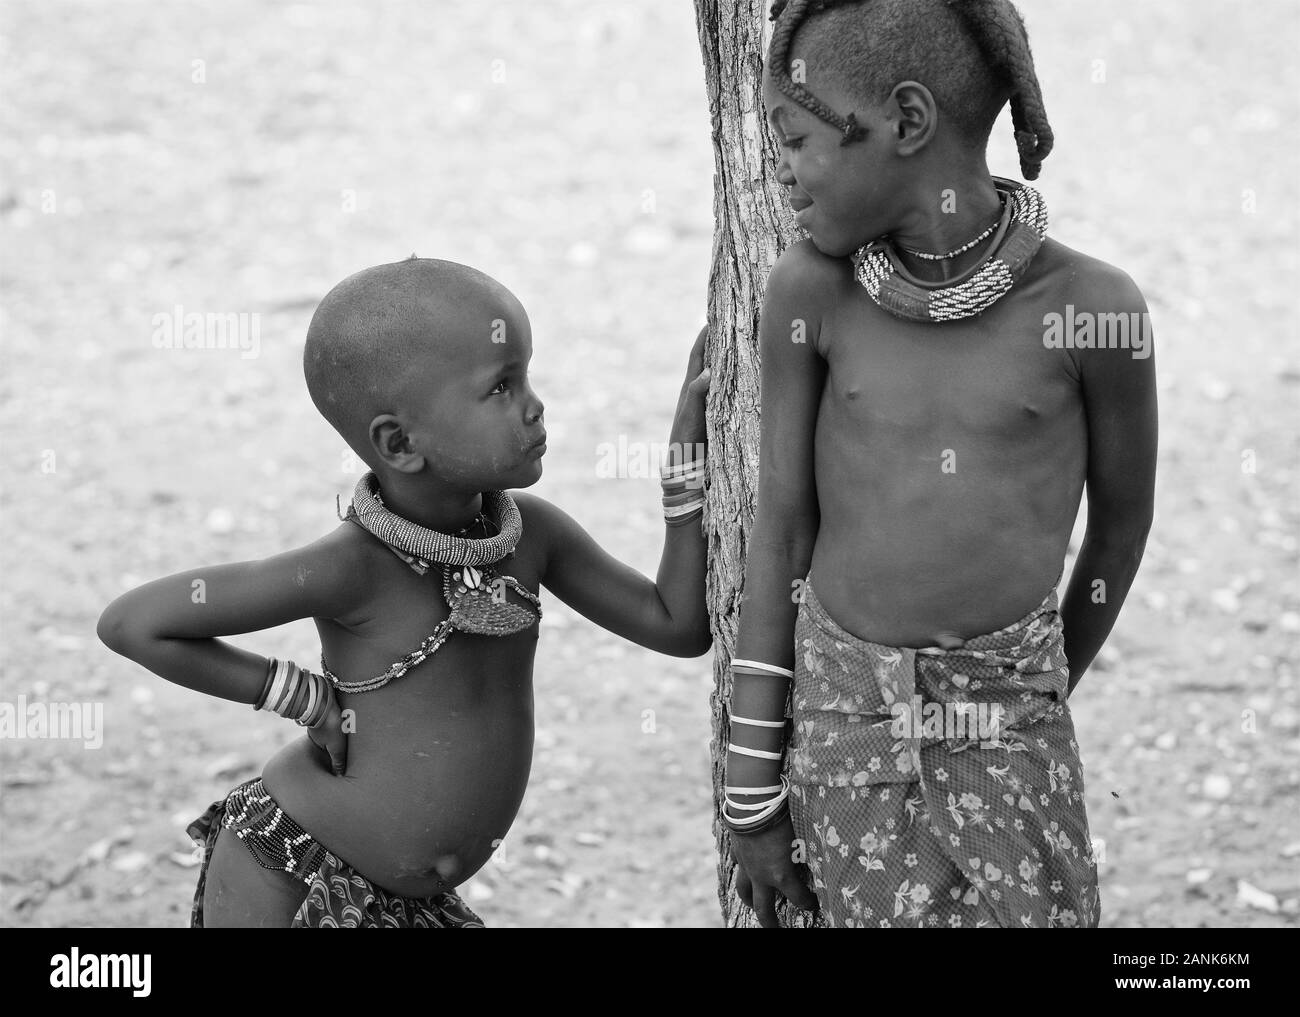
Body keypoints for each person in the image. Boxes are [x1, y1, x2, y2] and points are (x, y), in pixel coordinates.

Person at [97, 257, 712, 927]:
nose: (535, 404)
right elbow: (134, 623)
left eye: (526, 375)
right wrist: (301, 696)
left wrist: (686, 468)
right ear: (399, 441)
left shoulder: (530, 537)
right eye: (502, 388)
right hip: (290, 872)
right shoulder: (352, 567)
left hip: (407, 906)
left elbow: (677, 625)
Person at [722, 0, 1156, 928]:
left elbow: (1121, 524)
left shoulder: (1092, 311)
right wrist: (750, 784)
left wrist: (1034, 692)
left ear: (909, 122)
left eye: (797, 140)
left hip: (1012, 733)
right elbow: (783, 530)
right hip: (845, 736)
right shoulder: (811, 294)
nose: (785, 173)